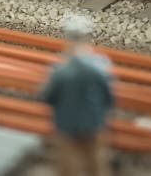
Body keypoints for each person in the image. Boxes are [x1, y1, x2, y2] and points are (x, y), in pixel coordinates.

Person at [39, 15, 114, 176]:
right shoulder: (100, 65)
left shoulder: (60, 69)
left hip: (67, 125)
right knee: (96, 163)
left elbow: (47, 96)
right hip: (94, 122)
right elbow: (108, 97)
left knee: (68, 166)